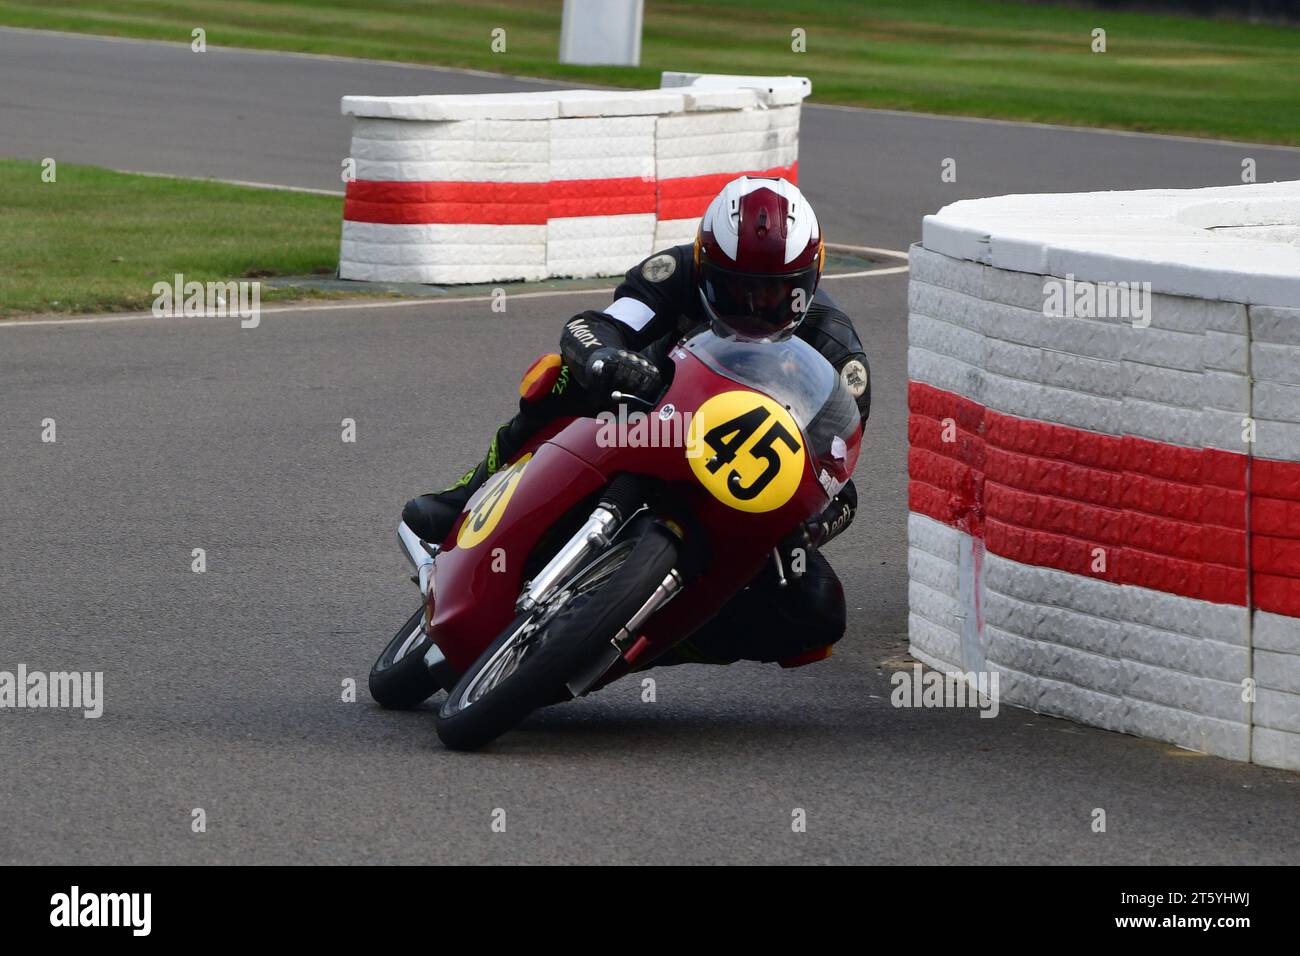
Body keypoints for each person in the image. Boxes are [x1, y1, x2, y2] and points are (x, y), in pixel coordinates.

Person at [404, 176, 871, 667]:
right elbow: (598, 325)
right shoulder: (676, 272)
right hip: (644, 415)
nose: (754, 309)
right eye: (736, 289)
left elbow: (838, 477)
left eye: (775, 295)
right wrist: (605, 357)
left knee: (816, 611)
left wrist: (810, 528)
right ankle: (472, 491)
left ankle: (655, 635)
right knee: (564, 374)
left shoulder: (838, 353)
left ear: (810, 280)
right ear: (706, 264)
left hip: (736, 477)